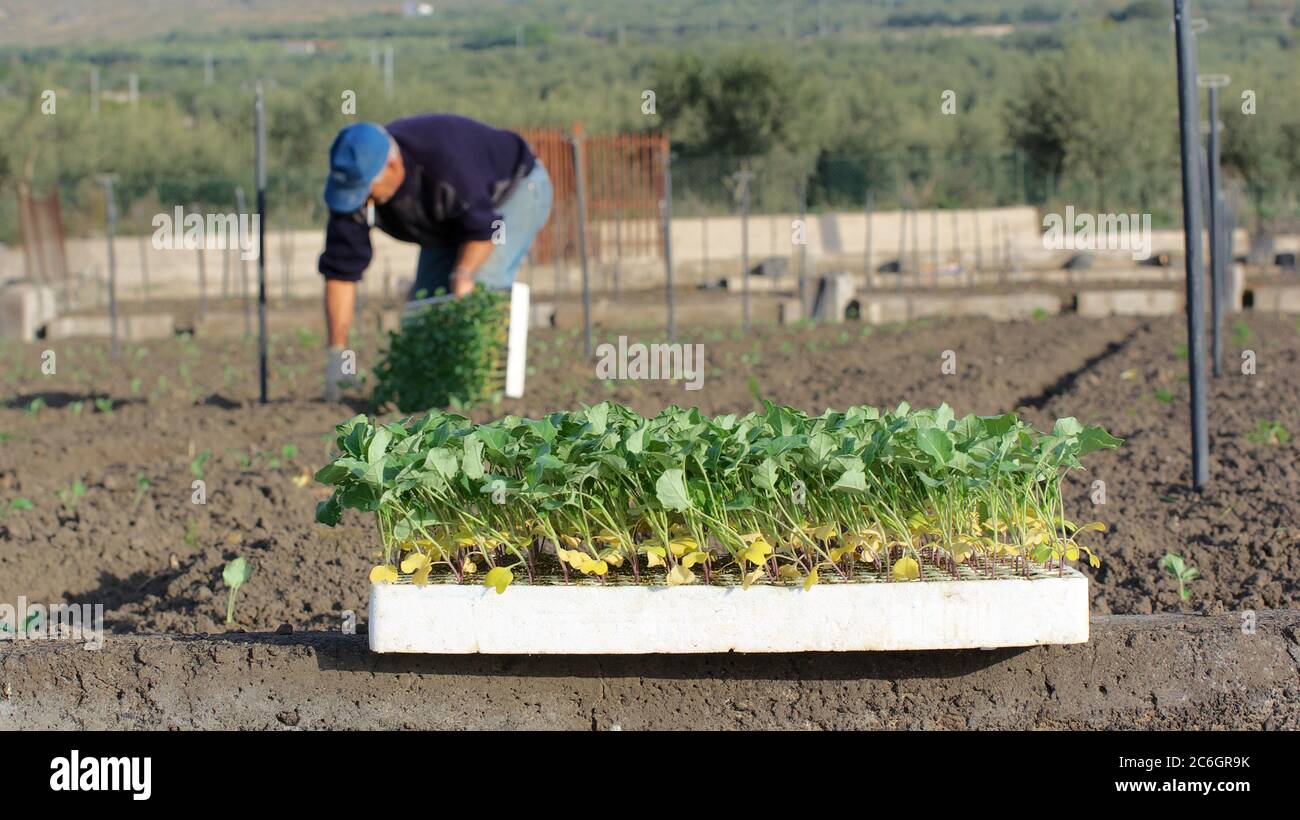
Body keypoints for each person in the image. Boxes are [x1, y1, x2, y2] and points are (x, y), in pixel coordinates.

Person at [317, 114, 552, 399]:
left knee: (479, 292)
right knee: (426, 307)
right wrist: (337, 354)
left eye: (366, 192)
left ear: (393, 166)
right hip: (445, 220)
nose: (361, 202)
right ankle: (431, 400)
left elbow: (483, 229)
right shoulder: (351, 193)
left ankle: (482, 399)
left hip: (513, 193)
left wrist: (463, 274)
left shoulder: (445, 164)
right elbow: (341, 272)